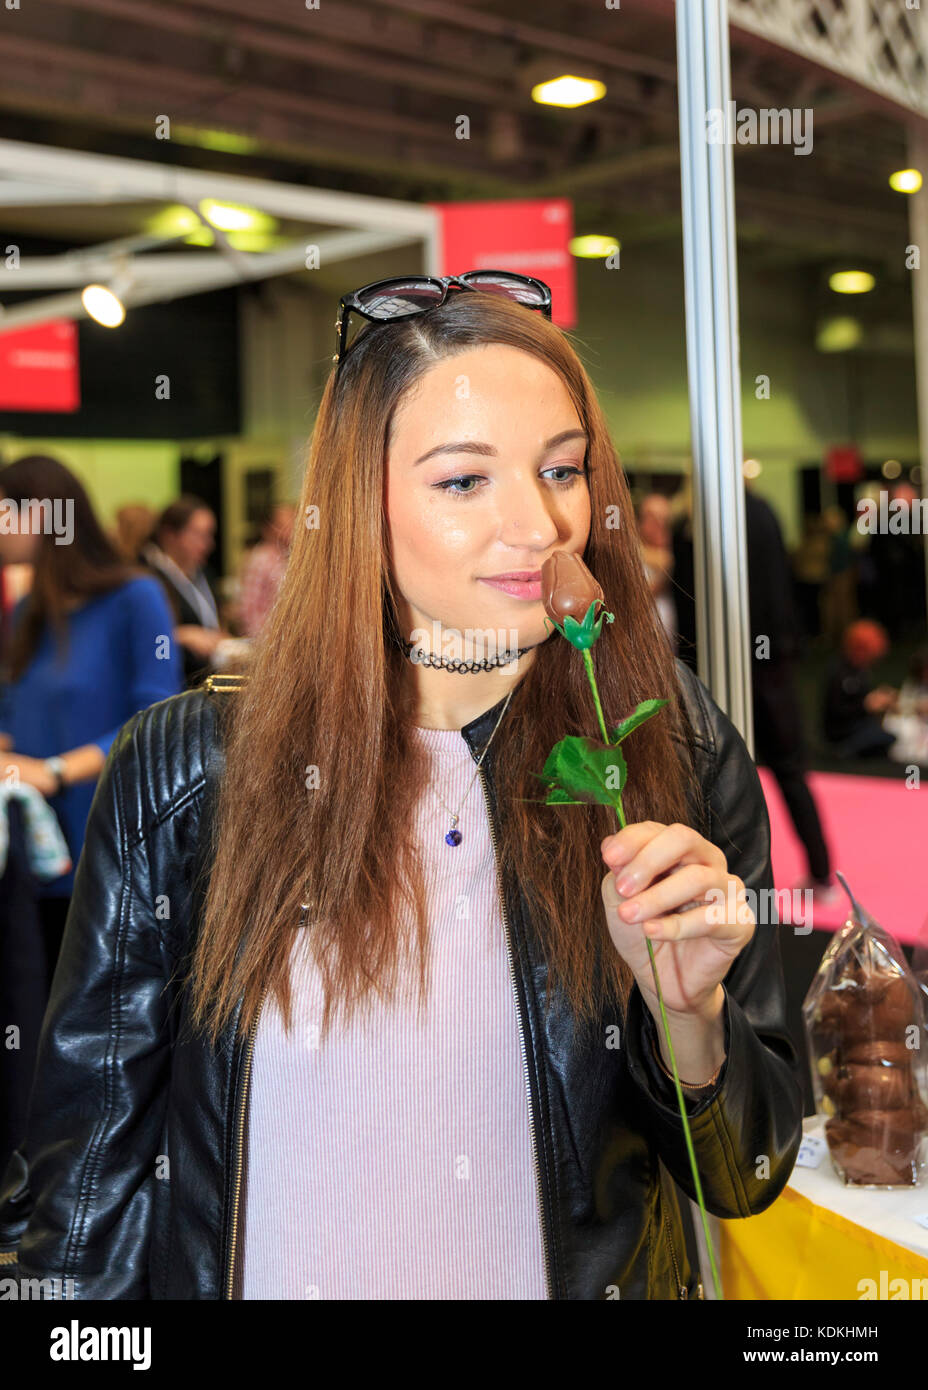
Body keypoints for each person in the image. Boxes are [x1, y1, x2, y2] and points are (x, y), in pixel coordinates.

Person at [0, 276, 803, 1300]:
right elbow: (85, 1183)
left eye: (561, 469)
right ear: (358, 501)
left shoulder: (664, 748)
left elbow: (744, 1173)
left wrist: (688, 1019)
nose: (538, 523)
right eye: (463, 481)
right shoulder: (191, 767)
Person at [743, 484, 837, 903]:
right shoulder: (763, 511)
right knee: (789, 769)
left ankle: (813, 874)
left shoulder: (732, 517)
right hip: (772, 658)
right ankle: (820, 872)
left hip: (753, 662)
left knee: (757, 771)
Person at [140, 496, 234, 687]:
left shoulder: (205, 574)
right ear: (170, 535)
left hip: (206, 681)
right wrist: (181, 635)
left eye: (210, 535)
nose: (208, 544)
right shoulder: (147, 578)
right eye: (198, 534)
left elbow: (212, 621)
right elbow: (137, 635)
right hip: (169, 684)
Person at [823, 619, 898, 759]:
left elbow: (859, 696)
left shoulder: (860, 671)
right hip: (842, 732)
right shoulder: (841, 673)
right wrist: (867, 704)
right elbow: (838, 710)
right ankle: (846, 750)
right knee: (889, 737)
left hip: (859, 725)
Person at [236, 501, 295, 639]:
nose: (293, 528)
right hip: (268, 642)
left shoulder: (288, 557)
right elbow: (248, 611)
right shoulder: (261, 559)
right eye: (286, 524)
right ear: (269, 528)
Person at [636, 492, 678, 653]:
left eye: (664, 520)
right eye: (653, 518)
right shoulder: (631, 556)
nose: (659, 525)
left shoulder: (675, 554)